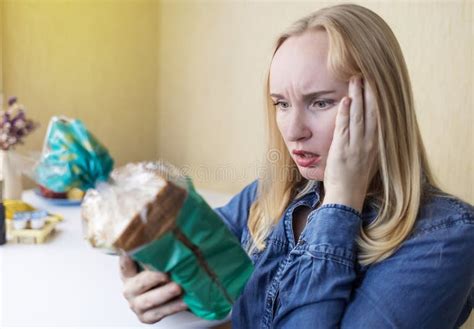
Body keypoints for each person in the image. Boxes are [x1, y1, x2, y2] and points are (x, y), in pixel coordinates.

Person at [119, 4, 474, 328]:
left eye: (320, 102)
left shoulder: (446, 237)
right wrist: (146, 280)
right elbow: (196, 258)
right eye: (281, 104)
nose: (292, 130)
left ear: (381, 106)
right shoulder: (274, 195)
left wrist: (340, 205)